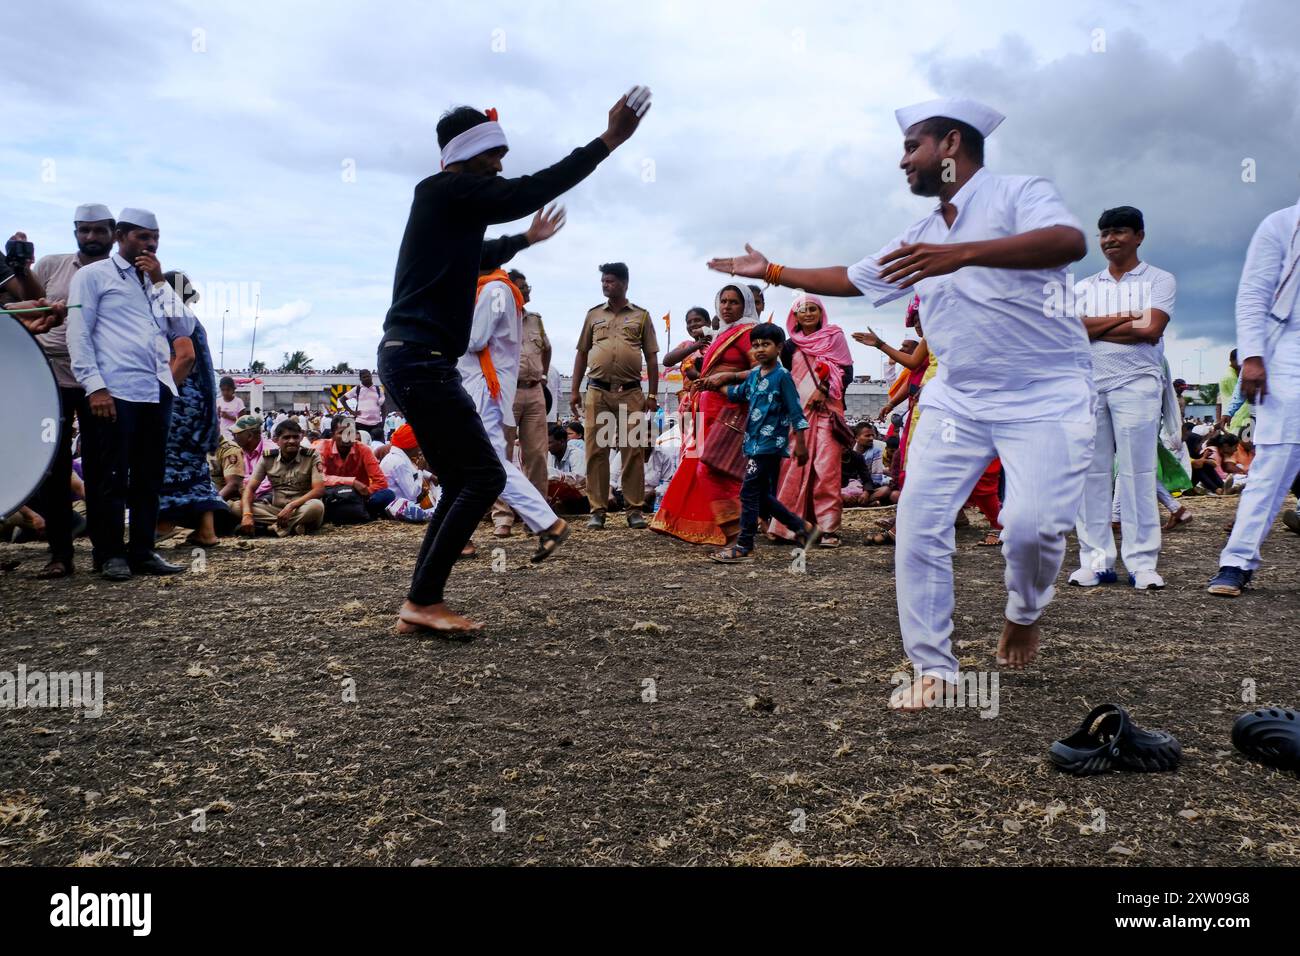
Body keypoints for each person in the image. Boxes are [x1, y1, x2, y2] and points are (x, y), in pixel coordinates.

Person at [708, 97, 1093, 710]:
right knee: (919, 521)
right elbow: (854, 278)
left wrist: (962, 253)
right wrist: (774, 270)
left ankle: (1024, 610)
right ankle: (933, 667)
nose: (902, 162)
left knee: (1032, 529)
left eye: (912, 147)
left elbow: (1068, 241)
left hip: (1045, 393)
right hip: (957, 399)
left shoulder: (1018, 193)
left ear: (949, 145)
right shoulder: (919, 235)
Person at [377, 88, 651, 634]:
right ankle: (422, 600)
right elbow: (527, 190)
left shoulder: (446, 206)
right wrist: (608, 141)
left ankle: (420, 603)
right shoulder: (444, 189)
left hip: (415, 359)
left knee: (465, 480)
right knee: (479, 476)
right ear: (464, 155)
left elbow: (475, 253)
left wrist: (522, 240)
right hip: (421, 361)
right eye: (493, 156)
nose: (501, 166)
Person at [66, 207, 197, 581]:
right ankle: (109, 554)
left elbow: (182, 326)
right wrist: (94, 386)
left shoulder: (152, 281)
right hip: (114, 391)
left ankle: (142, 551)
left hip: (156, 392)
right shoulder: (93, 276)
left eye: (155, 238)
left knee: (148, 476)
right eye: (142, 237)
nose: (150, 244)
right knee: (109, 476)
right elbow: (79, 333)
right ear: (121, 236)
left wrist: (158, 281)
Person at [1070, 206, 1176, 590]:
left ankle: (1142, 563)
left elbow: (1151, 329)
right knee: (1091, 475)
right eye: (1103, 233)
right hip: (1090, 384)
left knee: (1138, 473)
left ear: (1139, 236)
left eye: (1118, 232)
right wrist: (1125, 316)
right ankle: (1095, 562)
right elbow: (1072, 332)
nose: (1109, 239)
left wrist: (1099, 328)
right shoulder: (1083, 287)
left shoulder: (1159, 279)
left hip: (1138, 382)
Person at [1209, 193, 1300, 595]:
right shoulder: (1281, 224)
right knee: (1272, 466)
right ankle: (1236, 561)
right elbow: (1253, 294)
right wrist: (1253, 356)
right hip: (1289, 353)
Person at [460, 260, 571, 560]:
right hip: (488, 388)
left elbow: (474, 339)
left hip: (487, 389)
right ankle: (545, 523)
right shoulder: (490, 291)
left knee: (492, 465)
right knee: (483, 463)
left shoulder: (495, 290)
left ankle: (548, 523)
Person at [27, 203, 115, 578]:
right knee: (53, 468)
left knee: (102, 469)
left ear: (113, 233)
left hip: (99, 382)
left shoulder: (122, 274)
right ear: (75, 232)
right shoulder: (49, 265)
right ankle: (59, 555)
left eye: (99, 230)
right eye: (84, 230)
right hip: (50, 379)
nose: (91, 237)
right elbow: (24, 301)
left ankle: (107, 554)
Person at [651, 284, 759, 545]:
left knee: (715, 468)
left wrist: (728, 377)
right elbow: (670, 361)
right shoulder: (720, 334)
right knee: (696, 465)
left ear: (745, 305)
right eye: (723, 301)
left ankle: (736, 531)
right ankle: (699, 526)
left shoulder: (748, 333)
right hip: (705, 408)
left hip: (730, 409)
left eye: (734, 302)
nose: (727, 307)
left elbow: (761, 370)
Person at [703, 323, 815, 562]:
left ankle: (744, 545)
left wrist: (802, 444)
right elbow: (738, 393)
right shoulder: (754, 375)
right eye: (755, 346)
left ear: (779, 347)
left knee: (748, 492)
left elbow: (796, 410)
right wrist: (714, 384)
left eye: (766, 344)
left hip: (770, 444)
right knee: (761, 494)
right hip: (752, 444)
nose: (760, 349)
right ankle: (802, 528)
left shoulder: (783, 377)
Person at [571, 261, 659, 529]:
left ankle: (634, 509)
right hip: (597, 391)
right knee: (597, 451)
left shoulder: (641, 316)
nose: (605, 285)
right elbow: (582, 353)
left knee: (633, 449)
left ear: (624, 283)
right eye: (603, 281)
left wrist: (652, 394)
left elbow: (652, 358)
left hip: (631, 392)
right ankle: (597, 510)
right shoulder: (593, 315)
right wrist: (574, 390)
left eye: (610, 281)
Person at [767, 294, 853, 548]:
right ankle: (789, 527)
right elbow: (784, 377)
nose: (807, 314)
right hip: (797, 414)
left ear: (821, 312)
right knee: (792, 468)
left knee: (827, 470)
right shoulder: (790, 346)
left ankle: (828, 529)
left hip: (827, 412)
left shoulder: (834, 337)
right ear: (794, 315)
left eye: (813, 309)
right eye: (802, 310)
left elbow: (846, 372)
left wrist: (823, 390)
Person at [156, 273, 232, 547]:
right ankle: (206, 532)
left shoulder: (175, 323)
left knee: (165, 465)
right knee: (196, 469)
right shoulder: (194, 322)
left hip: (178, 405)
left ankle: (163, 526)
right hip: (199, 409)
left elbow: (182, 359)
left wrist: (161, 394)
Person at [491, 268, 553, 537]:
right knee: (502, 457)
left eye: (528, 286)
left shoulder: (535, 320)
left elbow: (547, 349)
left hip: (534, 392)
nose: (528, 291)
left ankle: (535, 517)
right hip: (505, 393)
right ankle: (502, 517)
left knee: (537, 456)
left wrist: (541, 376)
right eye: (522, 287)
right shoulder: (496, 319)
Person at [235, 418, 326, 536]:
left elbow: (319, 490)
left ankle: (268, 529)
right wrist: (247, 515)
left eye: (295, 437)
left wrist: (292, 506)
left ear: (301, 437)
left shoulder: (312, 456)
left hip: (302, 508)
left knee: (316, 506)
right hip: (277, 510)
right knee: (237, 507)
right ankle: (293, 527)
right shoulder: (268, 458)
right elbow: (250, 488)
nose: (292, 441)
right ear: (276, 441)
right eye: (286, 437)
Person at [319, 417, 396, 519]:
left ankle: (353, 512)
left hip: (359, 497)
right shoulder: (322, 448)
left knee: (388, 494)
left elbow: (381, 482)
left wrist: (365, 492)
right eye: (341, 432)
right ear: (332, 435)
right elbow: (320, 479)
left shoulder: (364, 450)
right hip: (332, 497)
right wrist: (352, 482)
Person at [211, 414, 269, 502]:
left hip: (263, 497)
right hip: (246, 497)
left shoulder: (269, 451)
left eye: (236, 434)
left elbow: (269, 483)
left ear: (249, 436)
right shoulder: (242, 450)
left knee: (233, 507)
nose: (233, 437)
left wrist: (246, 490)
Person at [341, 370, 386, 442]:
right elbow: (342, 399)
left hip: (376, 424)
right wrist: (352, 412)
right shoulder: (357, 389)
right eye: (364, 377)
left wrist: (383, 422)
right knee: (361, 446)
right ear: (360, 379)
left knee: (378, 445)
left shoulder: (378, 389)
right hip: (361, 423)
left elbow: (383, 407)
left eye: (368, 376)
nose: (367, 378)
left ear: (371, 376)